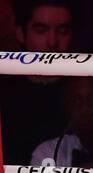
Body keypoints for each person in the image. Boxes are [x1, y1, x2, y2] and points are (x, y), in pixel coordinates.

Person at [1, 0, 76, 163]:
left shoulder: (86, 95)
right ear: (21, 33)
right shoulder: (4, 92)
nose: (52, 42)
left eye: (62, 31)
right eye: (41, 30)